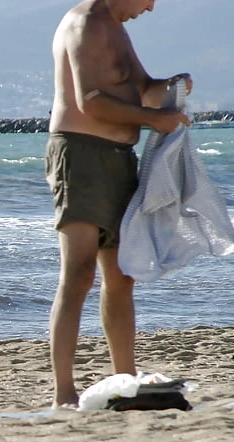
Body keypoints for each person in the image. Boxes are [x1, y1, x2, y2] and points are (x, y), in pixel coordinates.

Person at [45, 0, 192, 407]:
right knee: (78, 274)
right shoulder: (86, 24)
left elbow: (143, 88)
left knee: (122, 275)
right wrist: (153, 120)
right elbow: (90, 100)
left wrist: (171, 87)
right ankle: (64, 392)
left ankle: (124, 378)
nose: (150, 7)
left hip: (118, 159)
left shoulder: (116, 26)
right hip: (81, 155)